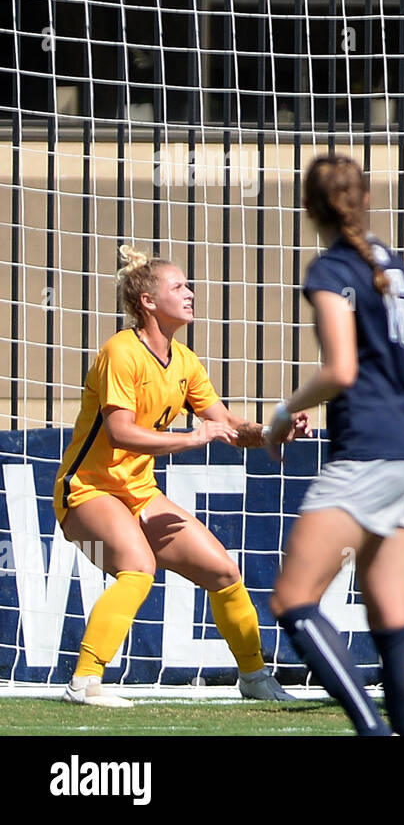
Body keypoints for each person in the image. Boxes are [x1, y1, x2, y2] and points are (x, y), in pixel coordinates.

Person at [53, 244, 304, 707]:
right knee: (139, 567)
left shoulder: (185, 362)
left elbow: (229, 429)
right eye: (179, 286)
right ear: (148, 301)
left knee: (223, 570)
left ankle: (254, 677)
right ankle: (83, 682)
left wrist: (274, 430)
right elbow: (122, 432)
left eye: (188, 286)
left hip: (138, 493)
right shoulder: (121, 352)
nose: (191, 293)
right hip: (86, 492)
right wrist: (192, 439)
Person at [266, 155, 404, 736]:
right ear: (364, 198)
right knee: (391, 612)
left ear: (310, 208)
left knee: (292, 600)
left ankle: (372, 731)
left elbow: (339, 369)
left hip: (366, 448)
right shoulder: (393, 265)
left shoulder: (330, 268)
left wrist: (283, 412)